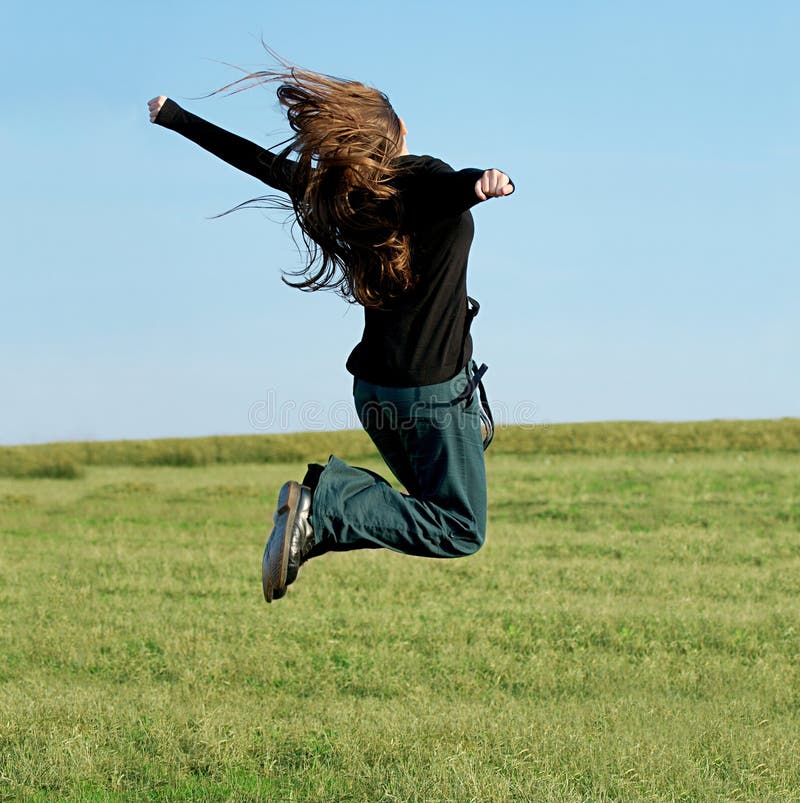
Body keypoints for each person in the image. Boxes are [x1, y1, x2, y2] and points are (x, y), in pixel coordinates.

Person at [147, 50, 515, 603]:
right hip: (432, 396)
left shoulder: (343, 197)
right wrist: (479, 185)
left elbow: (261, 165)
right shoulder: (424, 179)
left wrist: (175, 116)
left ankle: (316, 519)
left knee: (414, 509)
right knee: (459, 527)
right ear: (398, 134)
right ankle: (325, 505)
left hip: (374, 392)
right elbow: (446, 189)